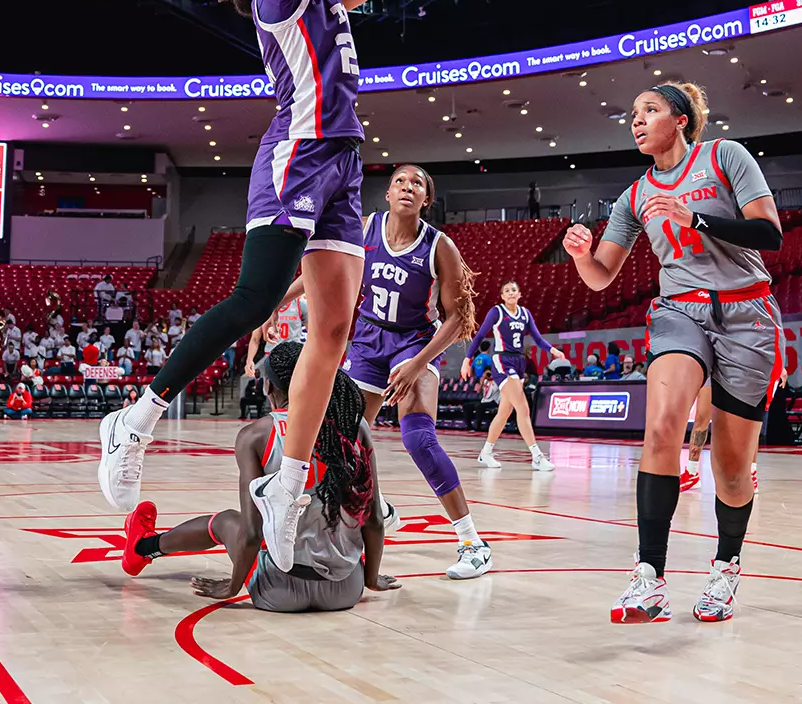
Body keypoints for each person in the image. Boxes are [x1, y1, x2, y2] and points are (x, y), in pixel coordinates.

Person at [97, 0, 413, 573]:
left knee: (332, 329)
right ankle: (136, 419)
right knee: (254, 297)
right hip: (296, 155)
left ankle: (288, 483)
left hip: (339, 160)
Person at [564, 81, 784, 624]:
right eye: (632, 114)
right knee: (662, 426)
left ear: (680, 119)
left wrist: (695, 219)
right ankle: (649, 577)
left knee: (733, 470)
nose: (636, 121)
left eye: (649, 110)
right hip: (679, 311)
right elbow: (601, 277)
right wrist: (581, 257)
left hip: (746, 313)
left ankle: (725, 569)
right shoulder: (633, 196)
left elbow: (769, 233)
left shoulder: (725, 156)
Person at [286, 164, 487, 578]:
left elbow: (458, 316)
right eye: (400, 181)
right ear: (388, 194)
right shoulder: (364, 228)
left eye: (418, 184)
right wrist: (277, 301)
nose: (408, 188)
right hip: (367, 343)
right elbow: (320, 270)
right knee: (345, 441)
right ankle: (379, 511)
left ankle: (472, 542)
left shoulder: (439, 246)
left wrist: (417, 364)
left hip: (413, 344)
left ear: (426, 200)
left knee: (419, 441)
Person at [119, 339, 398, 612]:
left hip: (279, 592)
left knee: (229, 521)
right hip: (346, 591)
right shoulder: (354, 425)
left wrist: (233, 586)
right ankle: (144, 546)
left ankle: (144, 546)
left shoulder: (256, 435)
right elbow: (373, 519)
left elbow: (251, 534)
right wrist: (371, 580)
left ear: (268, 386)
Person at [467, 281, 556, 472]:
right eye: (506, 291)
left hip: (519, 361)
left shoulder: (525, 313)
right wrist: (467, 358)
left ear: (520, 294)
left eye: (513, 290)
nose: (510, 293)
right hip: (502, 361)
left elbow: (538, 338)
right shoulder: (496, 312)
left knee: (504, 412)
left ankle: (485, 453)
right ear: (502, 296)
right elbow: (480, 335)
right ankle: (537, 456)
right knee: (523, 408)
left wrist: (552, 350)